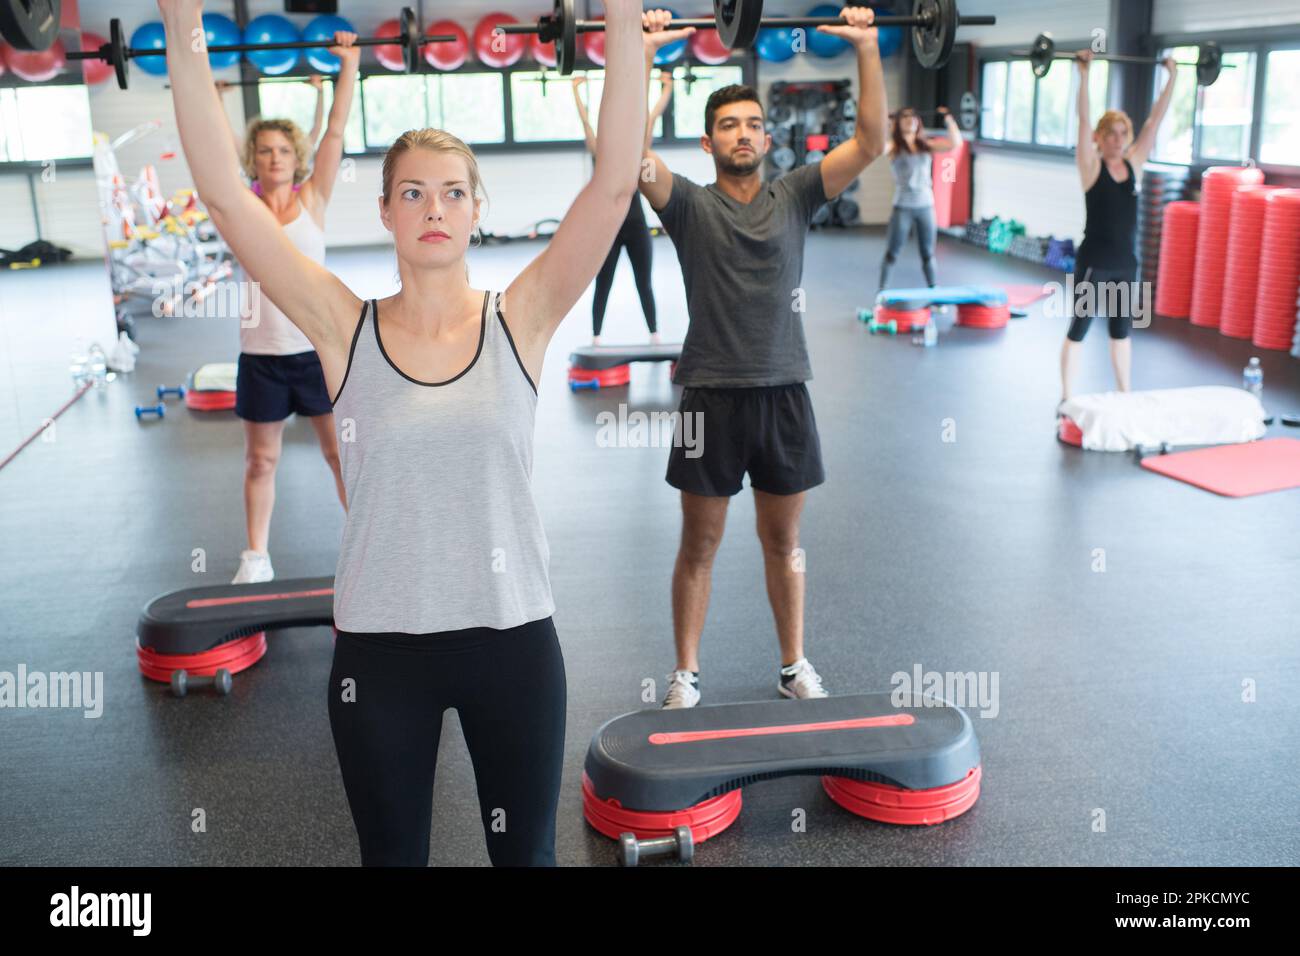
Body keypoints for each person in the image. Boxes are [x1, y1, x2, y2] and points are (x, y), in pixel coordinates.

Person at [159, 0, 656, 865]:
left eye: (453, 192)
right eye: (414, 192)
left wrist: (616, 14)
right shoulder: (341, 326)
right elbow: (227, 202)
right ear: (386, 212)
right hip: (380, 651)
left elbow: (615, 181)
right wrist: (179, 18)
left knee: (528, 858)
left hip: (513, 639)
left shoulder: (523, 319)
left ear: (474, 213)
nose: (435, 207)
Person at [638, 7, 887, 708]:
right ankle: (686, 673)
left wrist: (866, 46)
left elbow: (870, 141)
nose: (742, 133)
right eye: (727, 125)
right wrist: (651, 58)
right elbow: (627, 156)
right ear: (708, 140)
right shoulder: (686, 204)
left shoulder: (797, 194)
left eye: (751, 123)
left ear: (765, 135)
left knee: (785, 542)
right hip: (706, 396)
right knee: (700, 543)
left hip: (785, 391)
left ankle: (793, 665)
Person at [225, 42, 358, 585]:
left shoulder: (315, 199)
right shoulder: (242, 208)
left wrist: (347, 67)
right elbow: (207, 150)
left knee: (337, 455)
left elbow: (334, 132)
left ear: (294, 156)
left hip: (317, 352)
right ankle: (256, 558)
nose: (275, 157)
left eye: (283, 149)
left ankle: (366, 543)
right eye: (264, 151)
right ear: (252, 159)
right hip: (262, 357)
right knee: (260, 461)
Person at [1060, 50, 1176, 406]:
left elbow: (1154, 123)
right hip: (1095, 262)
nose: (1118, 139)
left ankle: (1124, 396)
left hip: (1127, 265)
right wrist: (1084, 75)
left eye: (1123, 133)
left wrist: (1173, 78)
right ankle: (1066, 398)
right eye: (1111, 133)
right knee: (1079, 330)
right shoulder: (1091, 168)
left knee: (1121, 332)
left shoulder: (1134, 165)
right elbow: (1082, 122)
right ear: (1099, 137)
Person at [572, 72, 672, 346]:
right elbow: (585, 121)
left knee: (644, 282)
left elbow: (651, 117)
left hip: (636, 225)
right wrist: (576, 92)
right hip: (608, 229)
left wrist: (666, 88)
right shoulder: (598, 151)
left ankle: (654, 334)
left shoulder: (637, 153)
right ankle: (596, 337)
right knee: (603, 283)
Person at [877, 105, 962, 292]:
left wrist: (948, 118)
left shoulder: (926, 145)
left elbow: (955, 143)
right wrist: (883, 123)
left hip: (926, 206)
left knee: (928, 254)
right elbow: (877, 147)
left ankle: (934, 292)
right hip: (903, 207)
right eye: (906, 117)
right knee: (892, 253)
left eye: (914, 117)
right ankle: (881, 294)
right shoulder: (894, 147)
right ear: (898, 123)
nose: (911, 120)